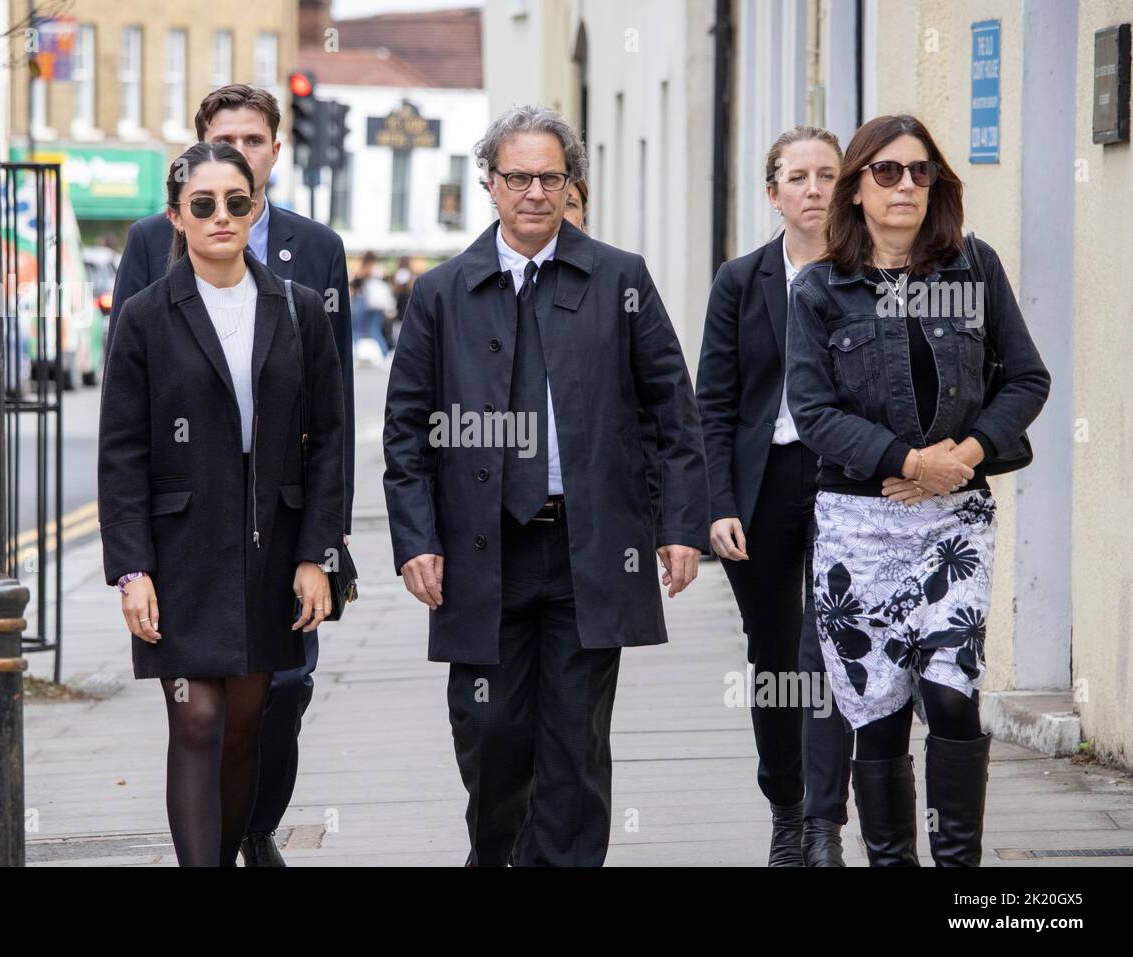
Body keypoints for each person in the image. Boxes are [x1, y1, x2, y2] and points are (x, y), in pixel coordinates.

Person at [383, 105, 706, 866]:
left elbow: (672, 406)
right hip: (480, 553)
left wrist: (681, 523)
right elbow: (406, 430)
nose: (535, 191)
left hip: (585, 553)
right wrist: (415, 540)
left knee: (574, 746)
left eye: (551, 177)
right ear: (490, 183)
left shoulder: (619, 277)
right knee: (491, 732)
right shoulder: (441, 293)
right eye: (518, 176)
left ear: (572, 186)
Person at [786, 114, 1050, 866]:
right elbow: (813, 412)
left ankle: (959, 866)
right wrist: (905, 460)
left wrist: (961, 454)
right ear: (858, 186)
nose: (905, 185)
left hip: (953, 523)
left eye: (920, 171)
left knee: (950, 694)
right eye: (887, 171)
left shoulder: (974, 269)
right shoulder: (820, 289)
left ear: (937, 185)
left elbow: (1028, 377)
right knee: (877, 712)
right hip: (859, 527)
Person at [109, 84, 354, 866]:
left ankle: (236, 841)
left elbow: (330, 440)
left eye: (236, 203)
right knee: (198, 719)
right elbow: (122, 447)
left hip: (270, 548)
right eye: (203, 203)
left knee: (248, 721)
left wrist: (319, 554)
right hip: (180, 554)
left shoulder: (296, 309)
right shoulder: (147, 313)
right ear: (176, 216)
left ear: (255, 210)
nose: (221, 216)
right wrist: (132, 568)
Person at [695, 126, 855, 866]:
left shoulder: (865, 275)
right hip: (761, 487)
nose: (814, 188)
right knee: (776, 656)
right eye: (798, 177)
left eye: (828, 174)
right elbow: (714, 402)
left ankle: (826, 821)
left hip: (845, 484)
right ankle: (786, 809)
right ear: (774, 193)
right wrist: (717, 502)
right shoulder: (740, 280)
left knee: (831, 648)